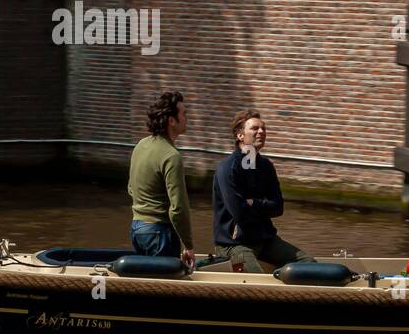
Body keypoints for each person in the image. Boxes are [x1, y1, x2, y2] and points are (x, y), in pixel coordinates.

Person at [212, 109, 314, 272]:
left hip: (266, 241)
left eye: (263, 128)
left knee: (310, 265)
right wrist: (263, 206)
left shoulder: (266, 166)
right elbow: (239, 213)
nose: (261, 132)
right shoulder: (228, 169)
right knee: (256, 277)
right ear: (240, 135)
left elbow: (278, 207)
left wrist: (254, 203)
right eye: (255, 128)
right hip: (234, 245)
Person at [128, 91, 195, 265]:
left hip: (138, 229)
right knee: (166, 287)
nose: (187, 118)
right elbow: (178, 208)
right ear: (171, 121)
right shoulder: (171, 156)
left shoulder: (141, 145)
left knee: (147, 285)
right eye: (183, 114)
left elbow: (130, 188)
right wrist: (188, 245)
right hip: (159, 233)